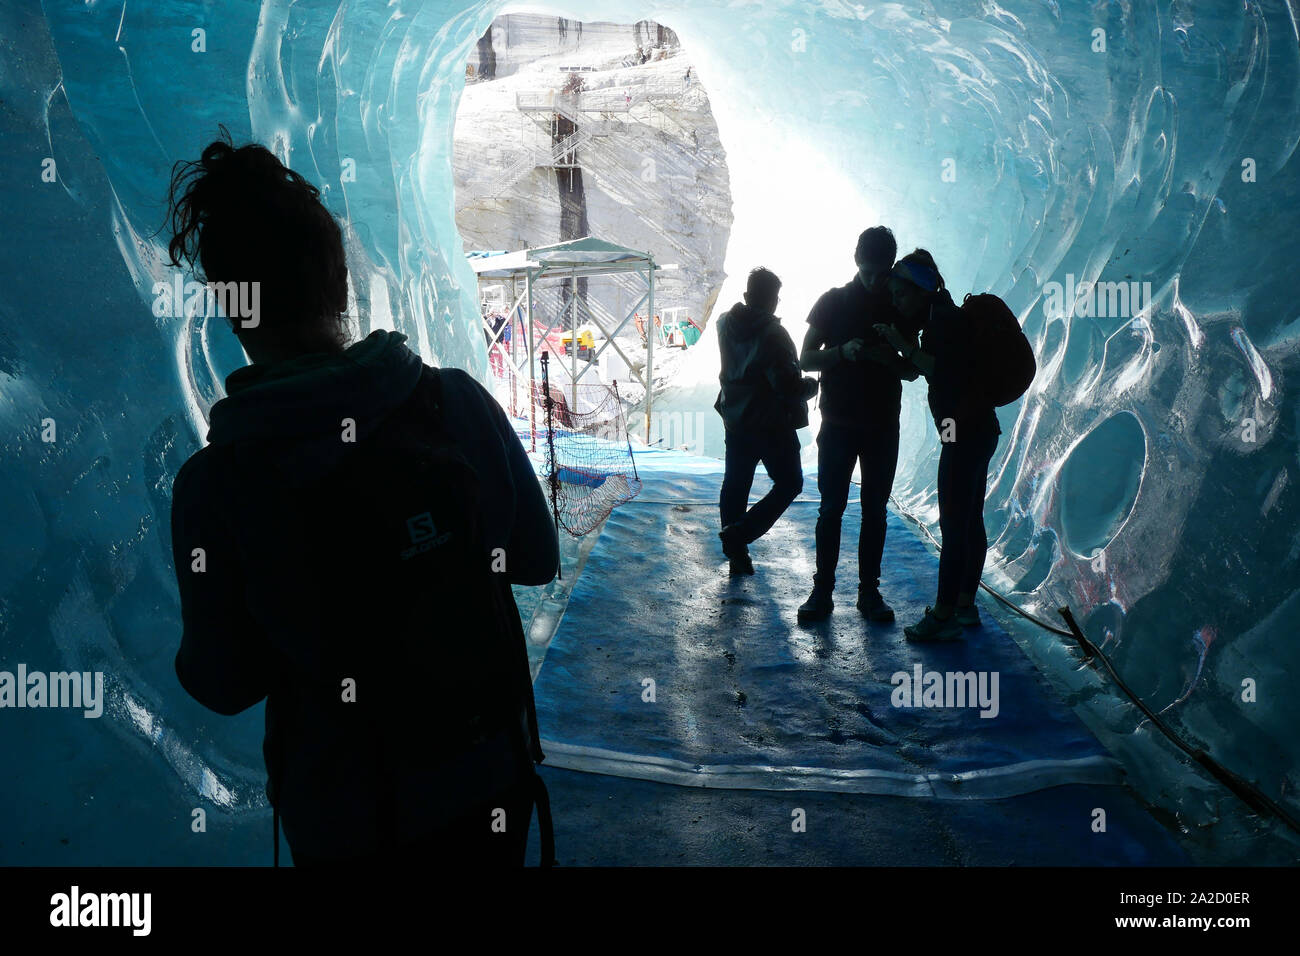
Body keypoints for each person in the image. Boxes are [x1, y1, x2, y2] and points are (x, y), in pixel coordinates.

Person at [164, 128, 560, 865]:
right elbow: (536, 558)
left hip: (348, 817)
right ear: (341, 282)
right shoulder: (455, 404)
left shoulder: (216, 484)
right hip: (485, 784)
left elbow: (223, 682)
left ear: (230, 310)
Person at [875, 249, 1001, 641]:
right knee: (969, 519)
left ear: (921, 289)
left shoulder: (944, 321)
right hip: (971, 430)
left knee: (954, 524)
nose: (897, 302)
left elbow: (940, 371)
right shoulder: (940, 318)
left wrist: (902, 344)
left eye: (901, 294)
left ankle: (944, 615)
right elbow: (923, 373)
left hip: (963, 432)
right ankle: (964, 606)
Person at [797, 227, 920, 624]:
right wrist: (842, 353)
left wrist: (889, 358)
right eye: (869, 270)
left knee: (875, 510)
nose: (873, 279)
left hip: (882, 424)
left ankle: (869, 592)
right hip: (837, 423)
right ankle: (822, 591)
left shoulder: (901, 304)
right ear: (856, 261)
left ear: (891, 266)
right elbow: (804, 359)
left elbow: (913, 370)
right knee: (831, 508)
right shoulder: (832, 302)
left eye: (881, 272)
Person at [714, 267, 816, 575]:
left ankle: (737, 555)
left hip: (735, 418)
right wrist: (813, 384)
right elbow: (788, 387)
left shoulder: (723, 324)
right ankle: (740, 534)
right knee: (790, 483)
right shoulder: (774, 334)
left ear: (746, 296)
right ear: (774, 300)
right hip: (771, 425)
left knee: (735, 483)